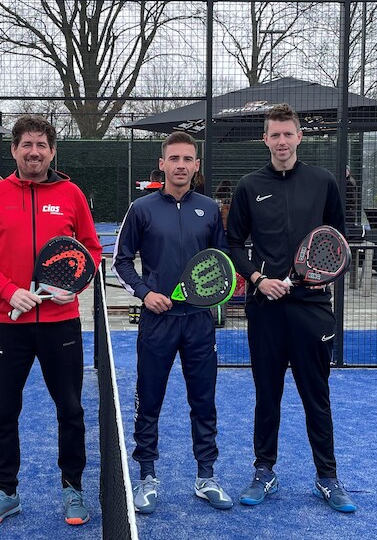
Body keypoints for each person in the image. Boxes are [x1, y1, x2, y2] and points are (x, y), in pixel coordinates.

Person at [0, 114, 103, 530]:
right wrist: (9, 292)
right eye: (26, 144)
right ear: (14, 150)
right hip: (8, 323)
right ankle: (6, 491)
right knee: (4, 410)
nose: (34, 152)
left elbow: (92, 250)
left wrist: (74, 286)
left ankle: (72, 487)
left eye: (42, 145)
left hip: (61, 323)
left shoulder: (72, 194)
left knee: (71, 409)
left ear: (52, 150)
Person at [224, 103, 357, 514]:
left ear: (300, 137)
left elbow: (338, 240)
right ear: (264, 140)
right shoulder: (248, 186)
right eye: (274, 135)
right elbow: (233, 244)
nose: (281, 141)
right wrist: (258, 280)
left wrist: (313, 278)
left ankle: (328, 477)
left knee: (316, 395)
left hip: (312, 308)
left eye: (288, 134)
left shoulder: (323, 182)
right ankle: (264, 471)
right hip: (265, 311)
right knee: (268, 395)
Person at [113, 131, 232, 515]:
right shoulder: (142, 208)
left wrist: (208, 297)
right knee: (149, 400)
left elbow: (221, 263)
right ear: (162, 164)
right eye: (174, 159)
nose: (181, 165)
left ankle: (206, 476)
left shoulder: (210, 209)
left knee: (204, 401)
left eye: (188, 159)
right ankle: (147, 476)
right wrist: (145, 293)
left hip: (198, 324)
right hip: (157, 322)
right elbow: (120, 261)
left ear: (197, 166)